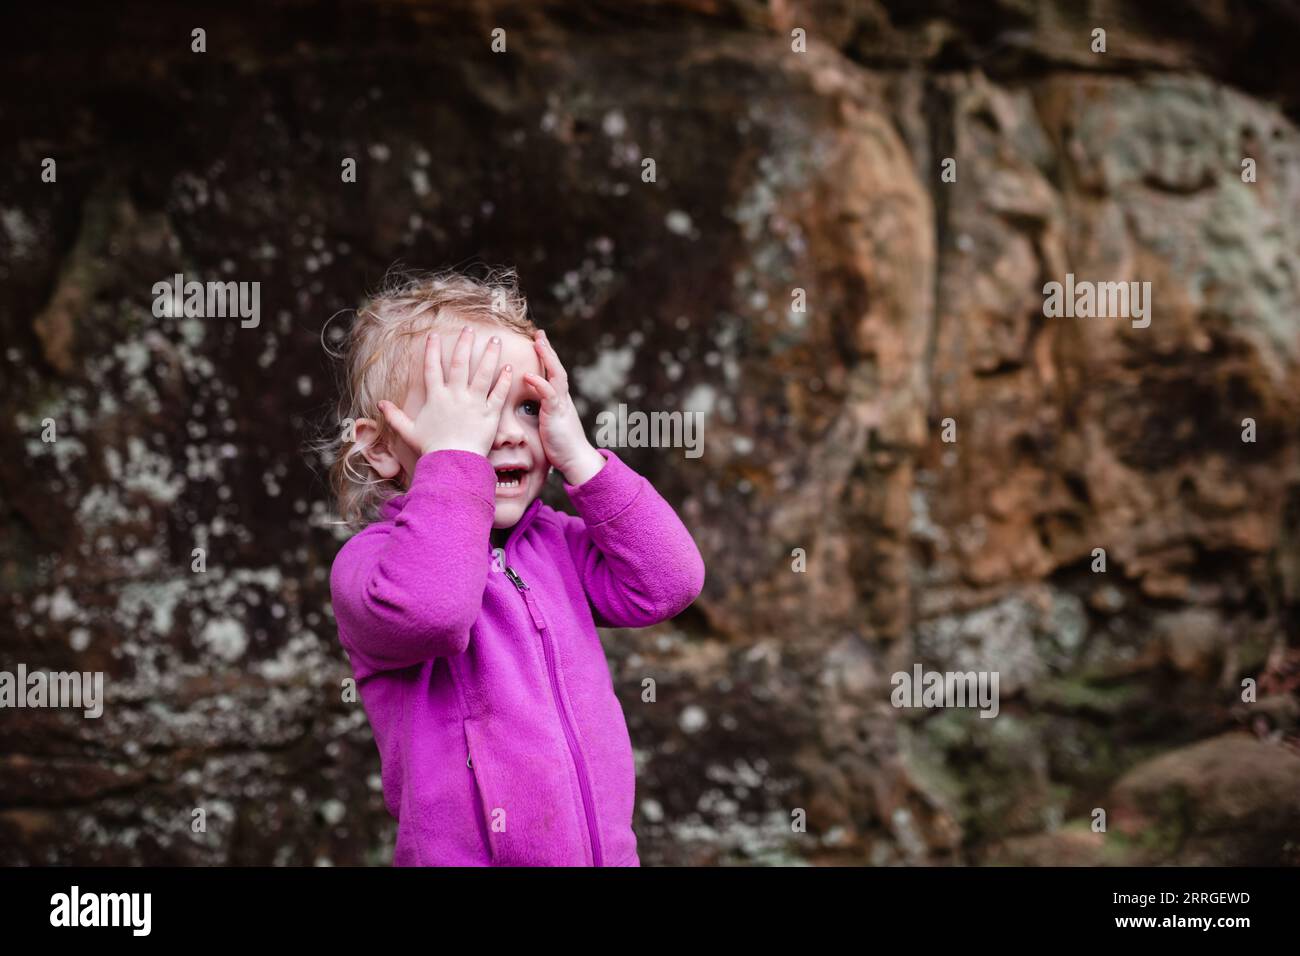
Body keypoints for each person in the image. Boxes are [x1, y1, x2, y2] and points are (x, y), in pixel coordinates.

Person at [325, 267, 705, 865]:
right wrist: (455, 462)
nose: (505, 434)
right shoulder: (371, 566)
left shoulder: (557, 546)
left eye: (527, 407)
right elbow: (436, 612)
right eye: (469, 412)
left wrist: (580, 457)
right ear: (379, 447)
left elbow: (669, 583)